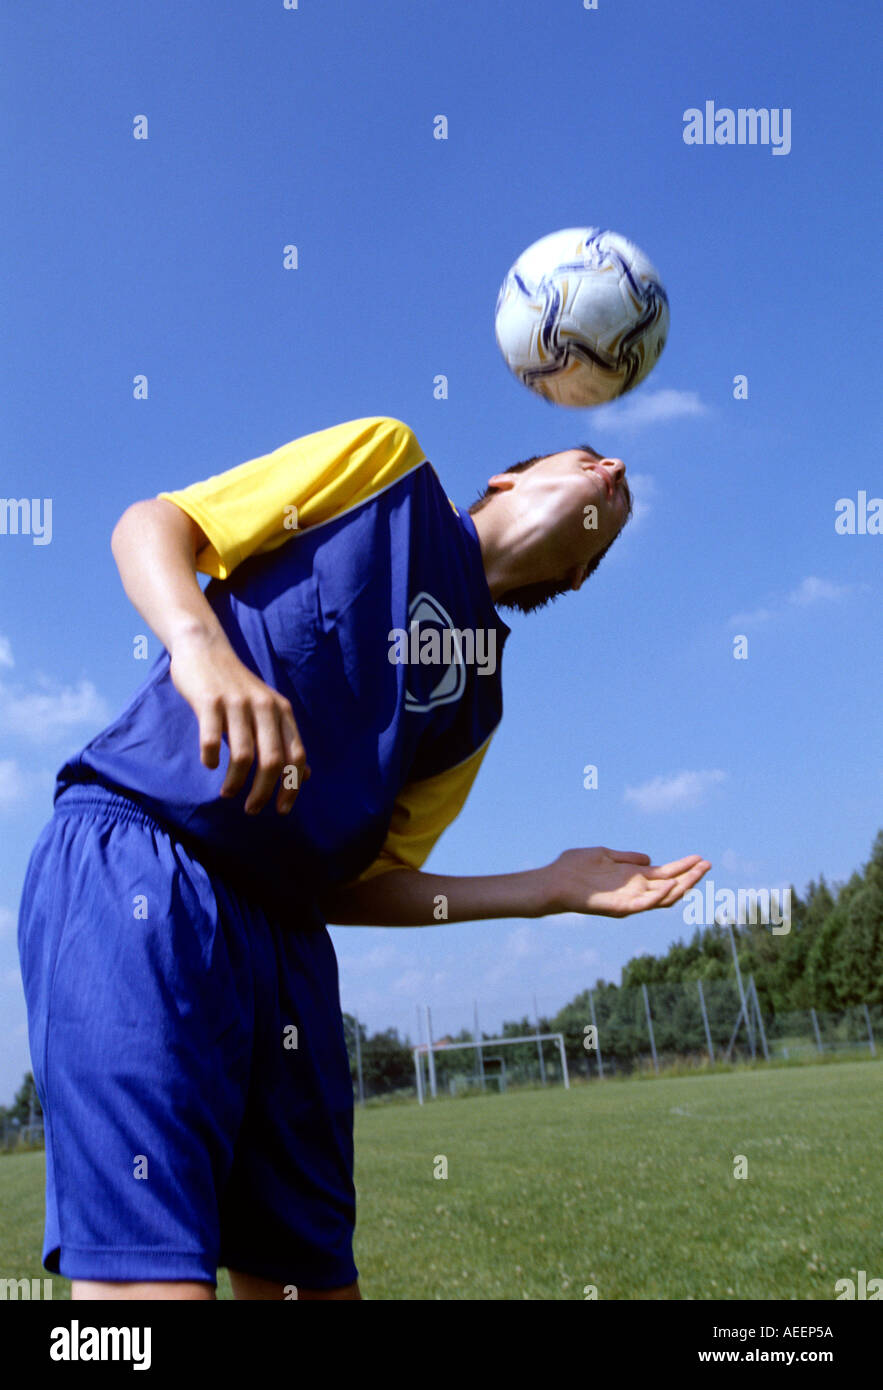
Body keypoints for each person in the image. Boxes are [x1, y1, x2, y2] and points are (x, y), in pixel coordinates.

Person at [17, 415, 710, 1300]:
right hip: (145, 862)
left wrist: (545, 888)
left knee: (308, 1287)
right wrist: (201, 649)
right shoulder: (388, 464)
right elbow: (152, 524)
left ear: (577, 572)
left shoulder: (477, 706)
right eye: (588, 457)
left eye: (620, 492)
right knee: (147, 1287)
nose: (613, 464)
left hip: (291, 941)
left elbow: (365, 885)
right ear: (503, 482)